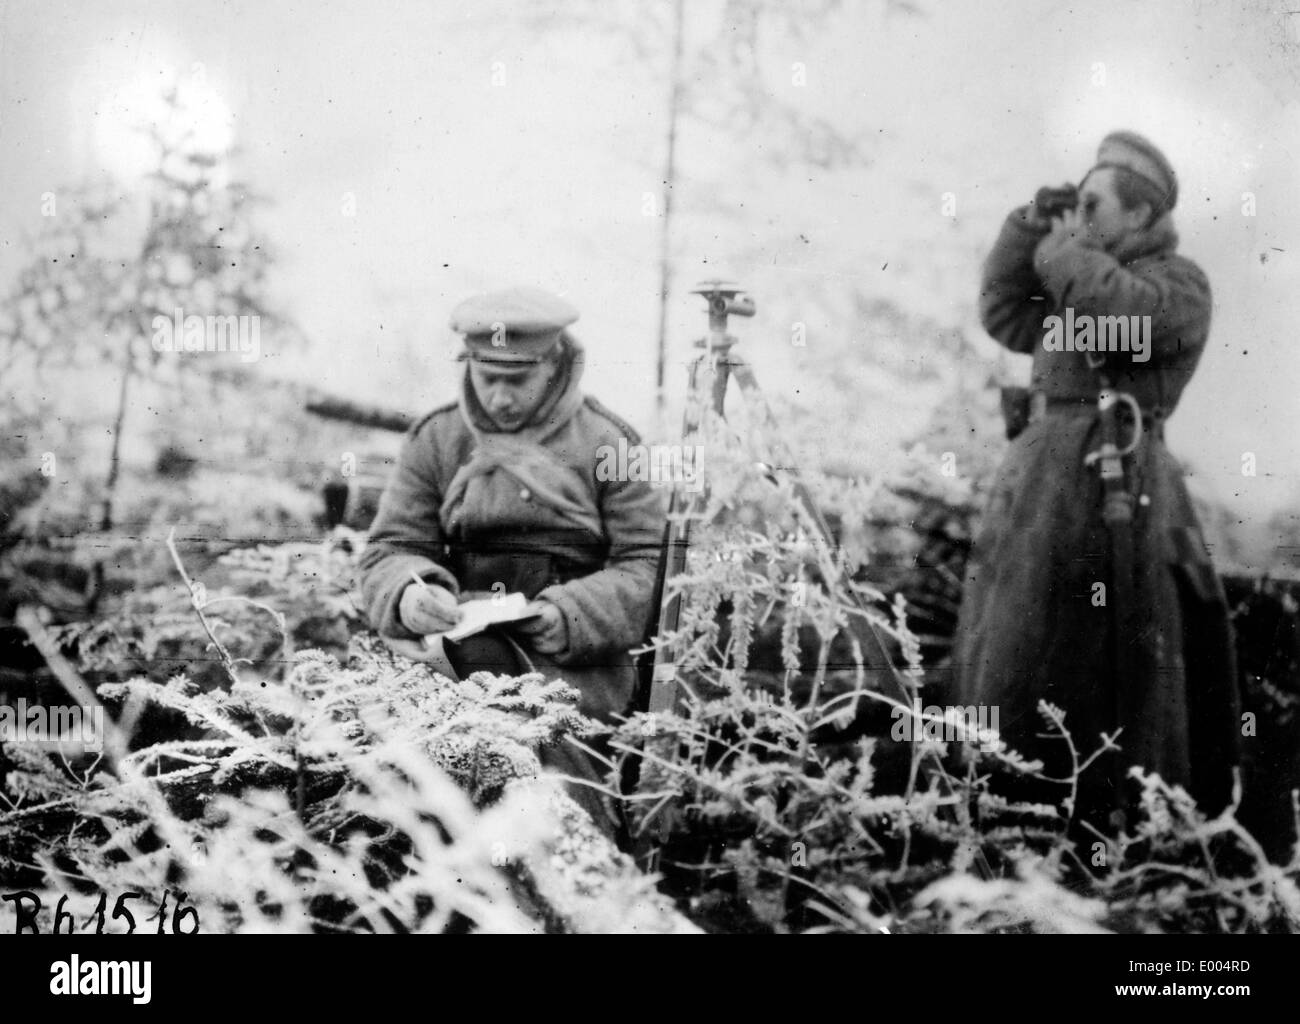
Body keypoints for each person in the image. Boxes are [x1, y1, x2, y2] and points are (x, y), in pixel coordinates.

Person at [954, 131, 1241, 828]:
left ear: (1141, 216)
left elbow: (1122, 325)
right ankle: (1008, 804)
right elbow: (1002, 310)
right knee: (1016, 638)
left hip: (1121, 481)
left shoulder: (1176, 284)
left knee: (1115, 649)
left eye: (1092, 203)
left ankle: (1115, 819)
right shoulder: (1076, 280)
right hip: (1044, 476)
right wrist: (1029, 226)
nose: (1076, 218)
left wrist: (1059, 252)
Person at [357, 286, 666, 832]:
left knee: (551, 786)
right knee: (406, 777)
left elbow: (648, 566)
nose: (499, 397)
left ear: (554, 365)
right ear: (467, 364)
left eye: (517, 379)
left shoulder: (608, 443)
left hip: (570, 663)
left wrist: (570, 614)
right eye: (487, 376)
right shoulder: (437, 439)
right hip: (451, 647)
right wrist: (412, 594)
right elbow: (392, 546)